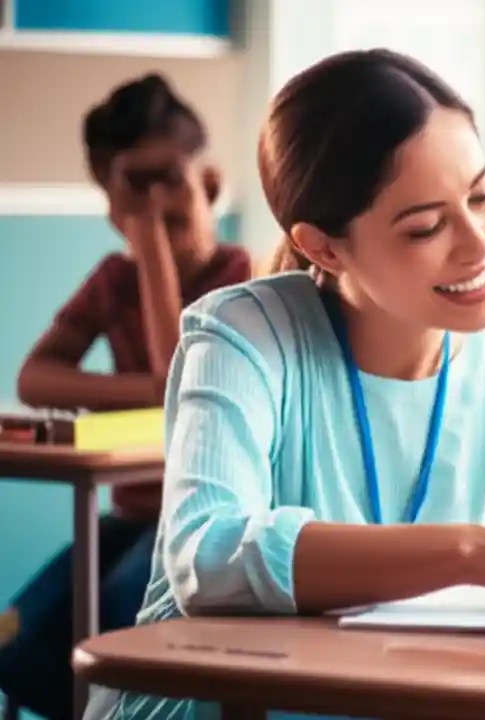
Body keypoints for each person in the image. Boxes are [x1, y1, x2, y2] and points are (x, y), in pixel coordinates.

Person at [90, 49, 485, 720]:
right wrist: (469, 550)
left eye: (483, 196)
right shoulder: (242, 333)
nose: (477, 243)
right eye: (426, 226)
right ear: (324, 248)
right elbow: (210, 559)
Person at [0, 74, 251, 720]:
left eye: (174, 196)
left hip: (204, 521)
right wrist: (144, 392)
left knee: (115, 620)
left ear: (212, 185)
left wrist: (154, 258)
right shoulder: (114, 280)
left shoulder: (243, 280)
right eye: (135, 202)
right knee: (17, 641)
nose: (155, 220)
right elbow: (36, 377)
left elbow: (181, 373)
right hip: (130, 509)